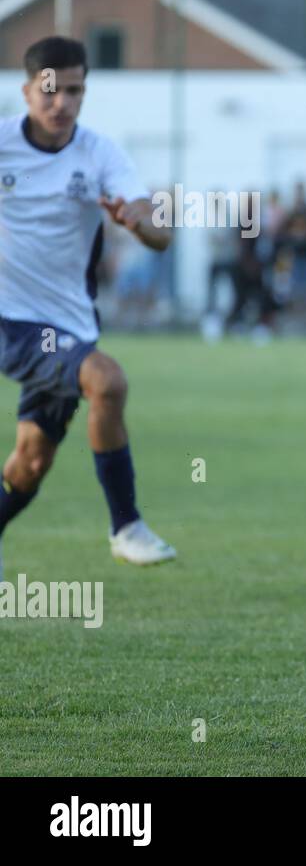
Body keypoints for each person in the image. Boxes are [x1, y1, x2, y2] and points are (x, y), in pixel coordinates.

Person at [0, 36, 177, 576]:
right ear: (28, 91)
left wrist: (137, 220)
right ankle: (126, 525)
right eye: (50, 92)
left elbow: (160, 231)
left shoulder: (100, 153)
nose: (62, 104)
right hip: (9, 320)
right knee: (109, 381)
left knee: (29, 464)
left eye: (74, 91)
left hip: (70, 325)